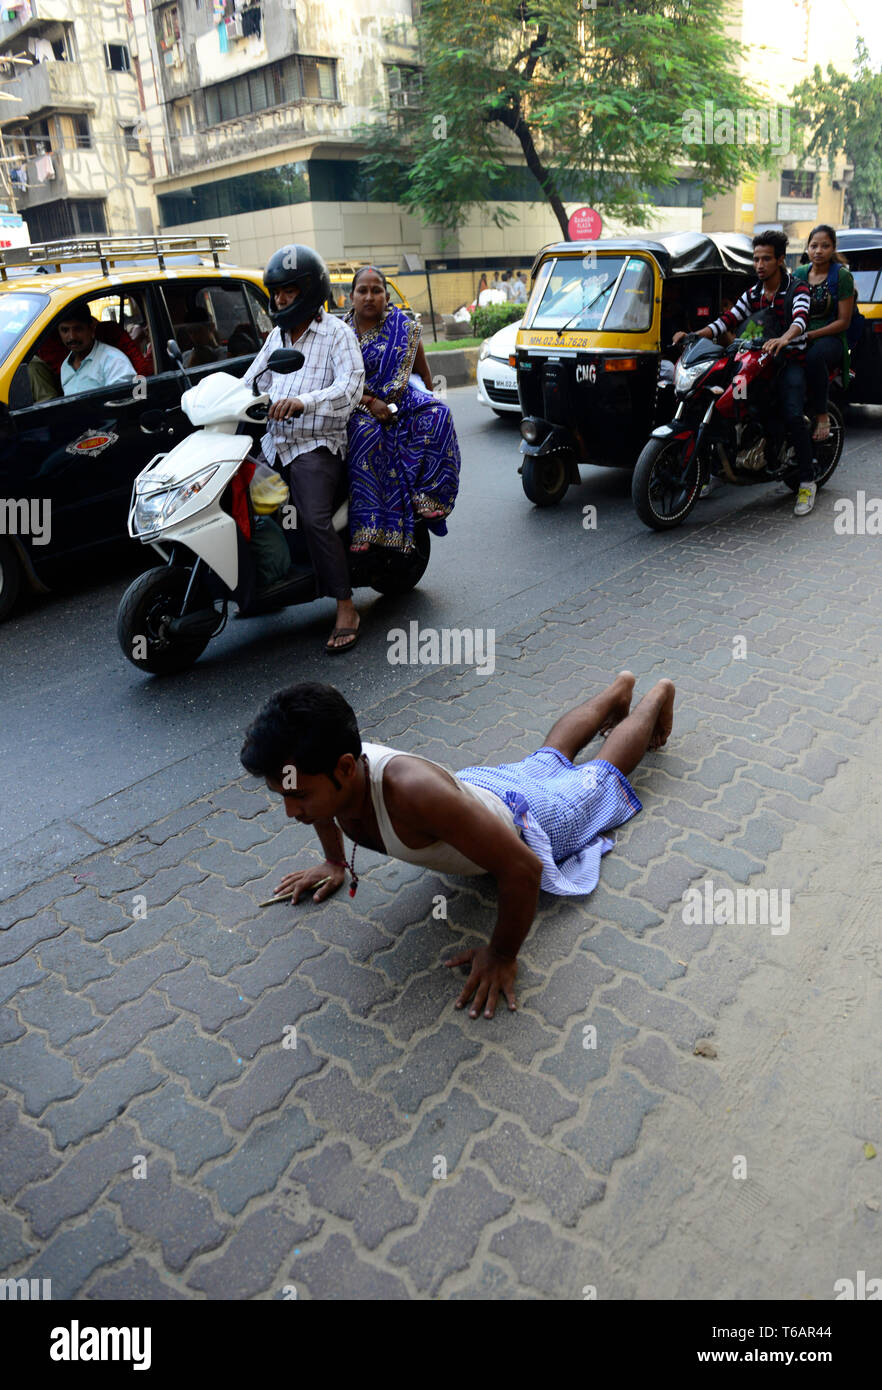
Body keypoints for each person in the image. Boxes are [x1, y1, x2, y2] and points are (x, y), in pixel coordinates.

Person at [240, 671, 674, 1020]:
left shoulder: (411, 793)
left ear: (346, 767)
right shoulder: (328, 766)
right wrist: (334, 861)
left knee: (600, 777)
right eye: (284, 795)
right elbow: (323, 810)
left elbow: (523, 869)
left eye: (298, 797)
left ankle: (655, 696)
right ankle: (618, 691)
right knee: (546, 760)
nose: (292, 812)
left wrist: (502, 954)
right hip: (477, 793)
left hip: (531, 821)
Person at [243, 245, 365, 654]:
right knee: (235, 498)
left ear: (311, 291)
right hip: (274, 443)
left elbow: (350, 388)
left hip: (316, 444)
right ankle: (259, 583)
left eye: (288, 291)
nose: (279, 300)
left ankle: (345, 605)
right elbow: (251, 380)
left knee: (313, 519)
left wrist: (303, 402)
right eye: (275, 292)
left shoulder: (337, 334)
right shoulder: (277, 336)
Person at [673, 231, 815, 517]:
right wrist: (694, 335)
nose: (759, 264)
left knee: (791, 413)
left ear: (779, 260)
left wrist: (786, 338)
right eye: (756, 259)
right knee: (725, 404)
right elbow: (728, 319)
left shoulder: (797, 290)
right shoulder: (754, 293)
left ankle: (807, 481)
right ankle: (716, 470)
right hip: (756, 360)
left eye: (766, 259)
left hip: (789, 361)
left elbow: (800, 318)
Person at [343, 266, 461, 554]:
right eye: (363, 291)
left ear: (386, 296)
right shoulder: (340, 334)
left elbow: (423, 373)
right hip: (355, 404)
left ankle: (428, 496)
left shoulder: (403, 328)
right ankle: (368, 526)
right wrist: (370, 403)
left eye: (377, 290)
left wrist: (427, 399)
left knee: (438, 414)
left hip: (400, 399)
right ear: (351, 296)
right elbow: (336, 383)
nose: (370, 297)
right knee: (366, 433)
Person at [793, 224, 855, 446]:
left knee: (814, 357)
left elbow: (843, 321)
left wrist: (811, 335)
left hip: (831, 338)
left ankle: (821, 414)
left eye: (825, 246)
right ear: (807, 248)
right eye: (814, 246)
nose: (818, 251)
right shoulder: (799, 274)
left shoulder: (842, 276)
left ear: (833, 248)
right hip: (798, 334)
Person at [56, 304, 136, 396]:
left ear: (92, 329)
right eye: (65, 330)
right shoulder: (65, 366)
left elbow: (121, 405)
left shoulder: (114, 361)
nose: (72, 337)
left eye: (78, 329)